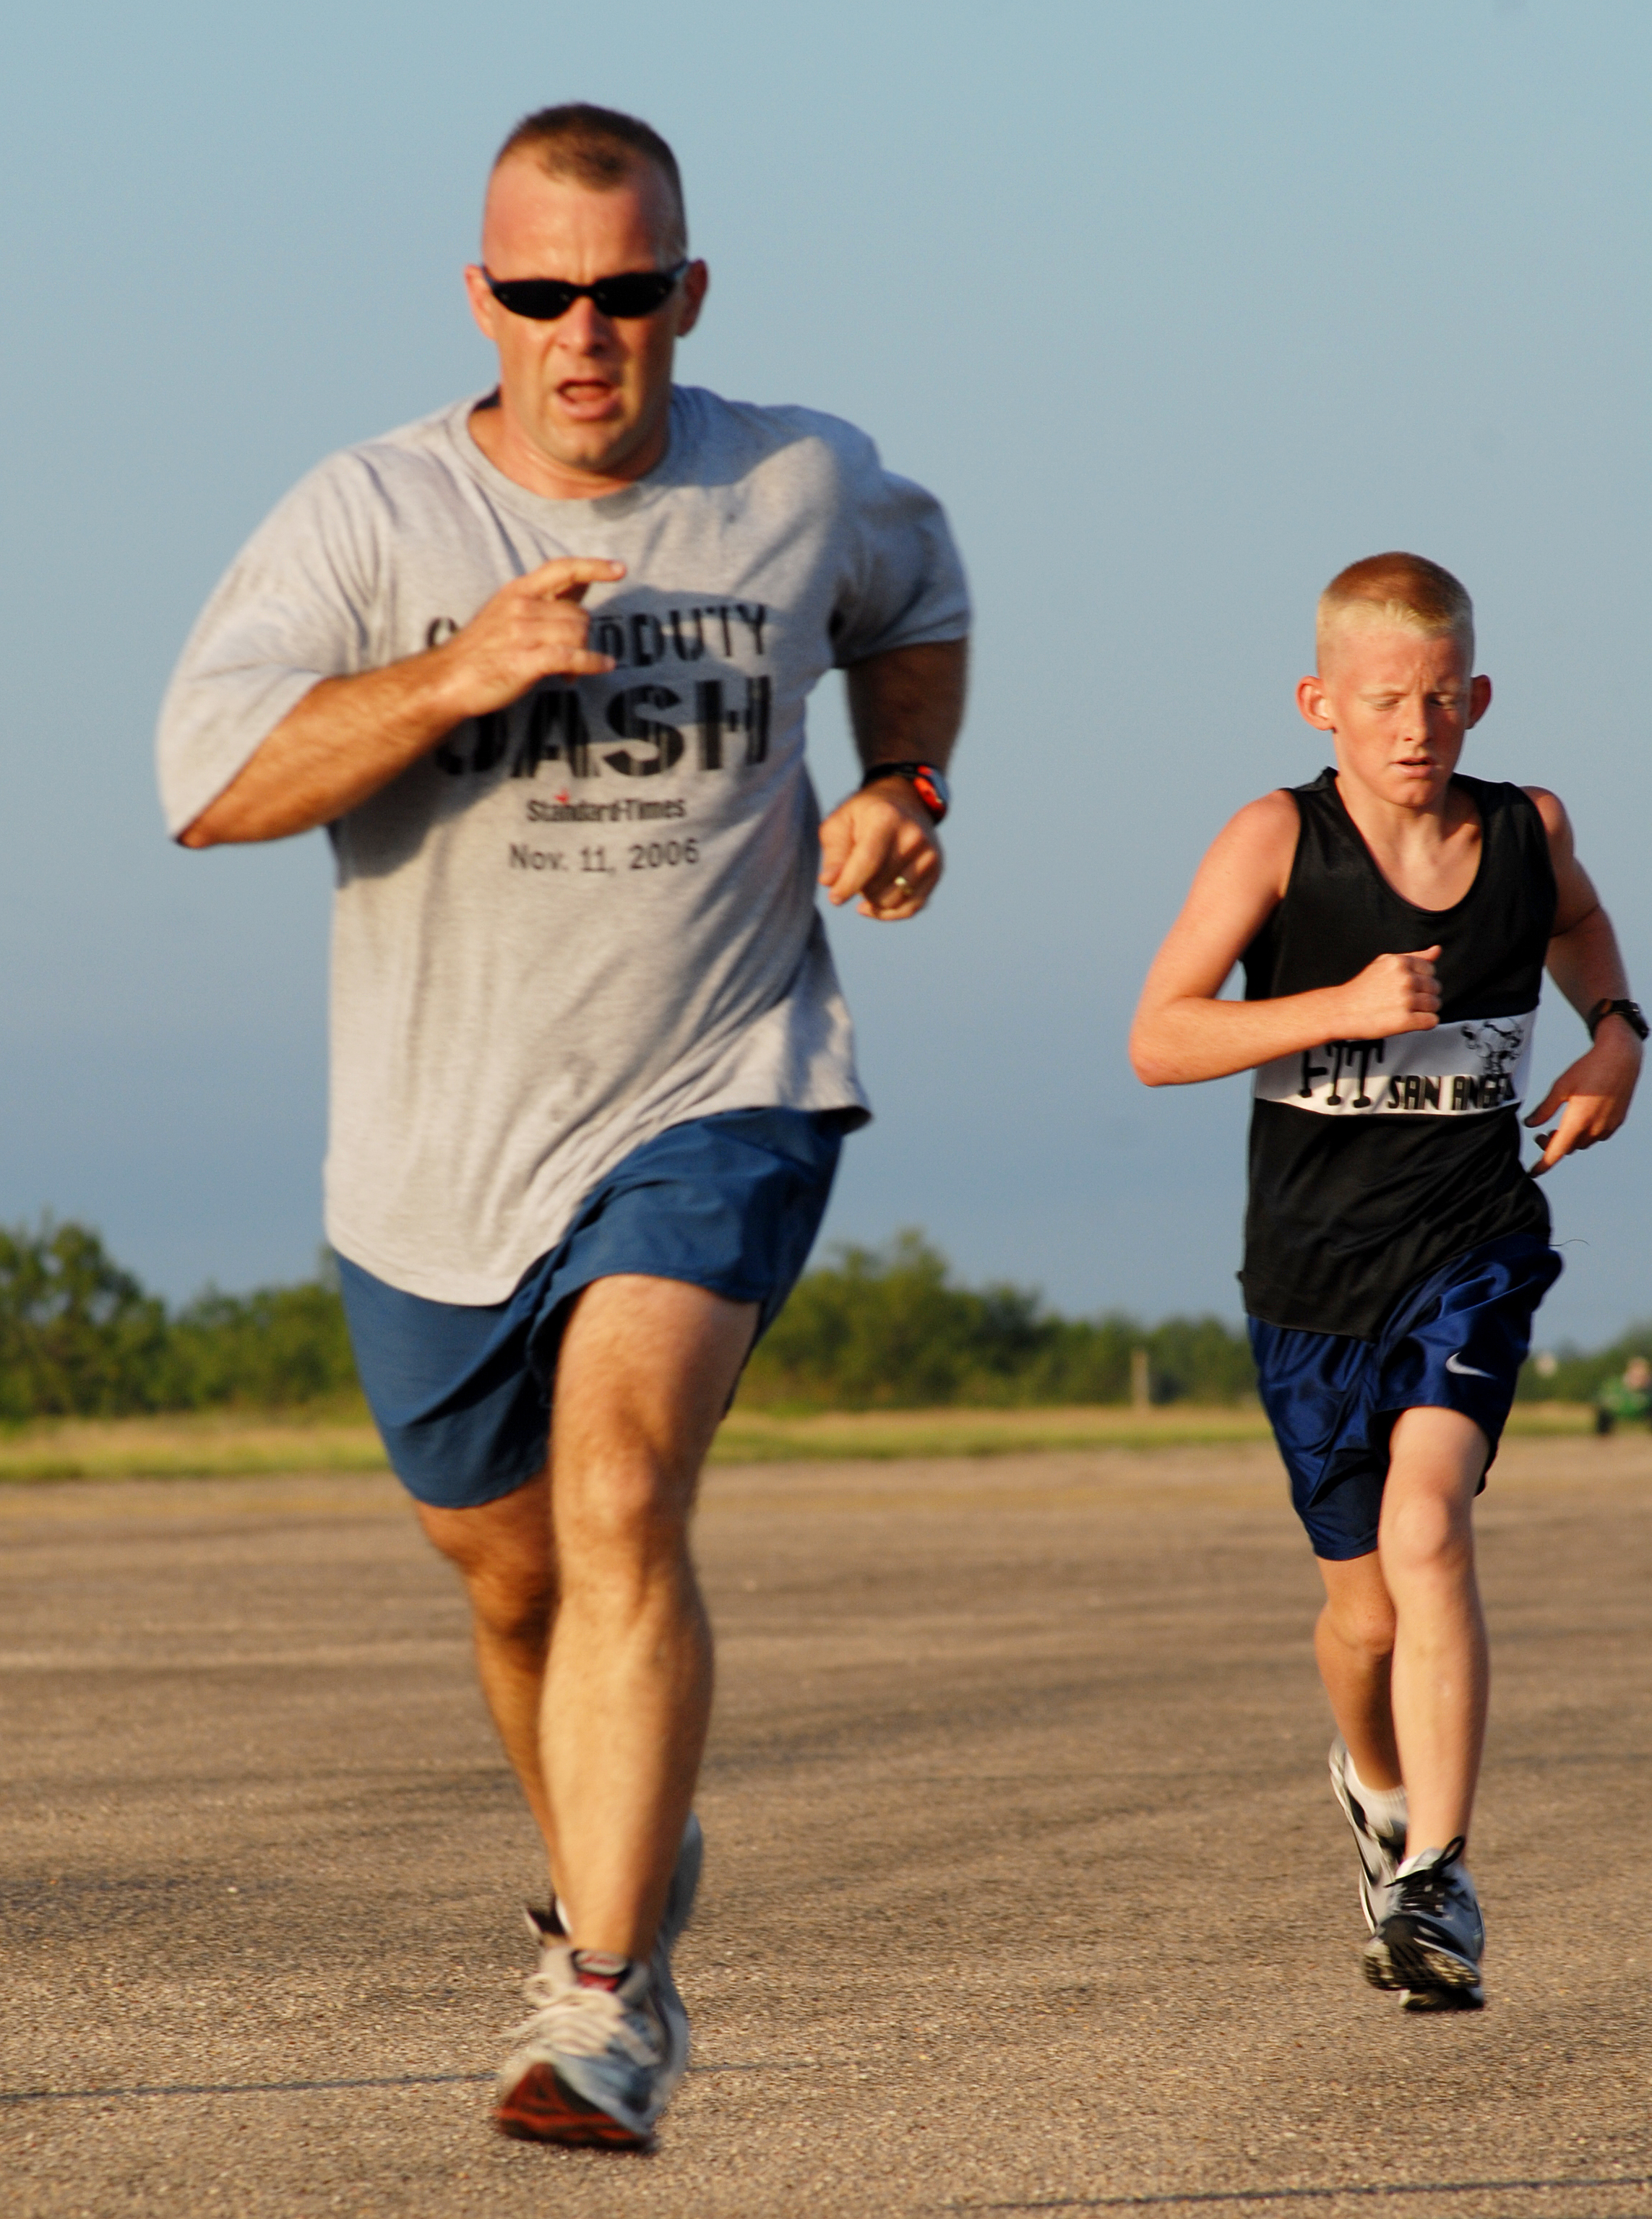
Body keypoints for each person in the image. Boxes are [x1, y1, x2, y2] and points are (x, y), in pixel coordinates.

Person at [157, 103, 968, 2147]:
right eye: (541, 292)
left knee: (616, 1490)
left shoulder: (795, 481)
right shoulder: (370, 517)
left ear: (686, 292)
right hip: (432, 1157)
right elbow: (208, 782)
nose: (584, 330)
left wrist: (906, 789)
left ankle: (600, 1995)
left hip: (722, 1081)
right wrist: (450, 672)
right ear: (481, 296)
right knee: (502, 1567)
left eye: (624, 291)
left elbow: (916, 594)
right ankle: (617, 1848)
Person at [1130, 553, 1641, 2009]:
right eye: (1381, 702)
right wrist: (1337, 1006)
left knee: (1431, 1527)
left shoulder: (1529, 829)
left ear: (1476, 696)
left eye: (1439, 699)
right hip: (1308, 1282)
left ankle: (1438, 1874)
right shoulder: (1275, 843)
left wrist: (1616, 1034)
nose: (1415, 728)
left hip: (1472, 1245)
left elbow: (1585, 929)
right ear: (1321, 704)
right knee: (1361, 1615)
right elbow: (1160, 1037)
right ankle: (1375, 1778)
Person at [1593, 1353, 1652, 1435]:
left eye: (1643, 1375)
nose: (1640, 1378)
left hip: (1643, 1413)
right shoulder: (1614, 1385)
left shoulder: (1649, 1389)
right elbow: (1601, 1399)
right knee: (1603, 1412)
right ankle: (1602, 1438)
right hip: (1617, 1412)